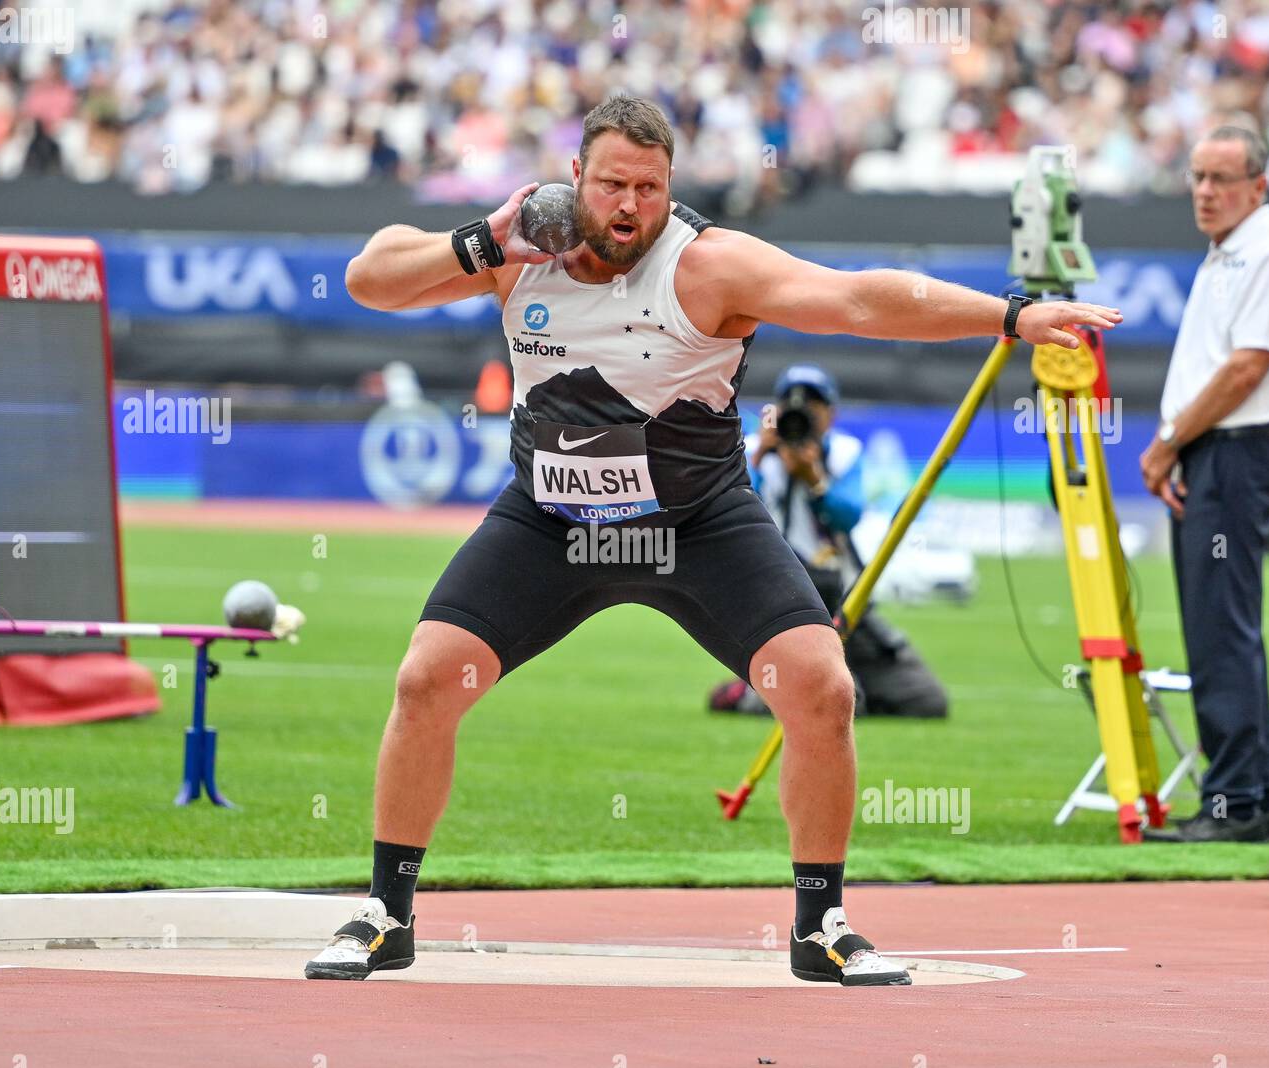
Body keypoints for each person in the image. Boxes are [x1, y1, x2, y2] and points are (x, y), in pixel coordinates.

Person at [305, 94, 1121, 985]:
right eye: (612, 183)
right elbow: (369, 278)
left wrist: (1008, 314)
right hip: (552, 522)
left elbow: (854, 299)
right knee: (426, 676)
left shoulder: (708, 267)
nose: (629, 207)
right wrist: (482, 241)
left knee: (822, 689)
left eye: (650, 188)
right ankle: (387, 911)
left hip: (695, 524)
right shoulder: (519, 251)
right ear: (575, 176)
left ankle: (821, 924)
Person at [1140, 125, 1269, 843]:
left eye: (1222, 179)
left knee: (1222, 625)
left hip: (1233, 447)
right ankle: (1253, 791)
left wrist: (1166, 443)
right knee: (1226, 622)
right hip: (1217, 448)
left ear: (1259, 185)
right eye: (1197, 177)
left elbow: (1247, 367)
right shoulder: (1229, 251)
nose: (1205, 192)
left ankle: (1234, 802)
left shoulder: (1261, 248)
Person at [708, 363, 949, 720]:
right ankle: (759, 688)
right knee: (823, 702)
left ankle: (845, 681)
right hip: (780, 601)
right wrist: (759, 459)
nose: (802, 415)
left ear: (830, 415)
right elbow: (735, 512)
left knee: (925, 700)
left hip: (843, 600)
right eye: (793, 407)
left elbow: (849, 515)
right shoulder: (751, 452)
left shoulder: (844, 453)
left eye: (813, 406)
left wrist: (815, 479)